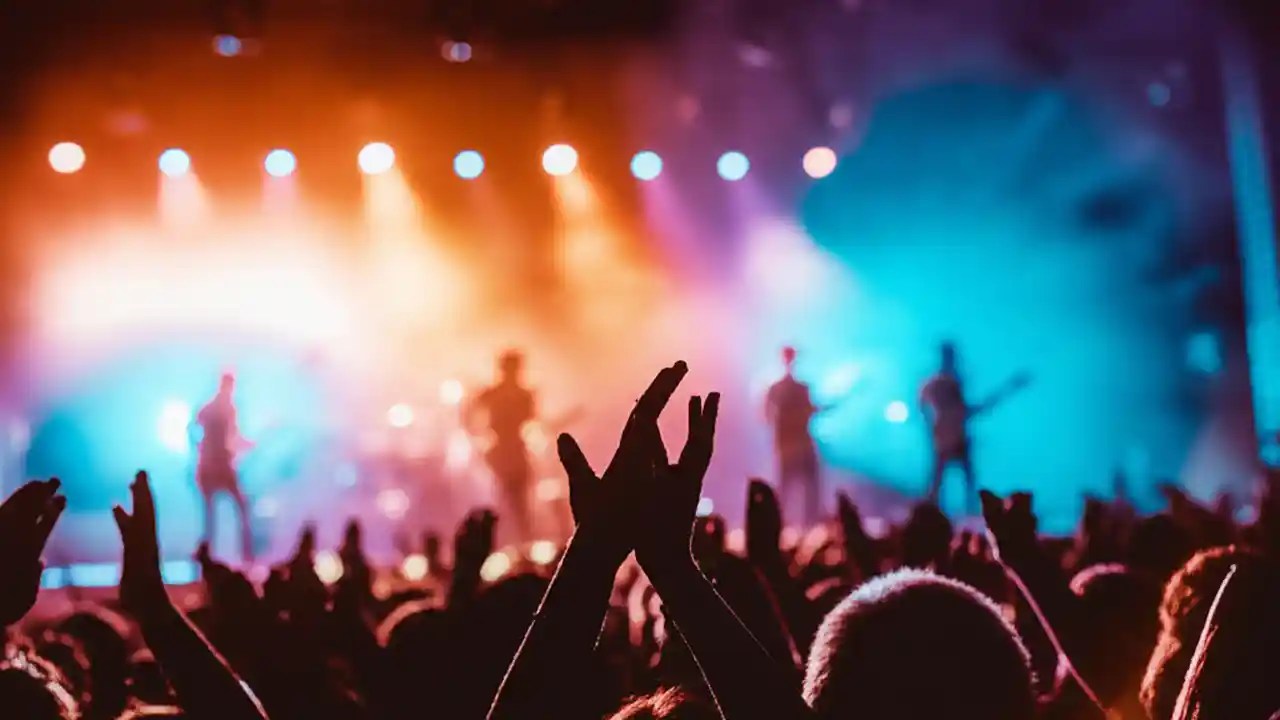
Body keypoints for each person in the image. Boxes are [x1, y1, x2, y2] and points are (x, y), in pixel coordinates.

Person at [469, 350, 537, 543]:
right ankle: (501, 540)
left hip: (512, 450)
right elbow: (470, 410)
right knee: (501, 499)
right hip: (501, 451)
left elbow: (530, 418)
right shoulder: (500, 393)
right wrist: (474, 435)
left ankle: (520, 540)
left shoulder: (521, 395)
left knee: (518, 502)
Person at [193, 373, 254, 564]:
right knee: (239, 509)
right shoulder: (224, 408)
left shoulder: (211, 407)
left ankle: (210, 559)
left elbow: (194, 428)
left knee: (211, 516)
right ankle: (246, 557)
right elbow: (232, 436)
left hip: (211, 466)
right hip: (217, 466)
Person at [765, 346, 822, 526]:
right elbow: (768, 415)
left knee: (795, 485)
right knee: (792, 485)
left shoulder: (780, 388)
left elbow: (767, 415)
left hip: (792, 443)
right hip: (793, 444)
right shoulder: (784, 388)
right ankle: (796, 522)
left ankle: (794, 522)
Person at [919, 342, 977, 514]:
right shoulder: (941, 382)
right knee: (942, 477)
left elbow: (961, 408)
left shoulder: (945, 381)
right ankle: (934, 512)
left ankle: (963, 512)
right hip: (947, 434)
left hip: (952, 433)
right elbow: (923, 403)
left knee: (956, 477)